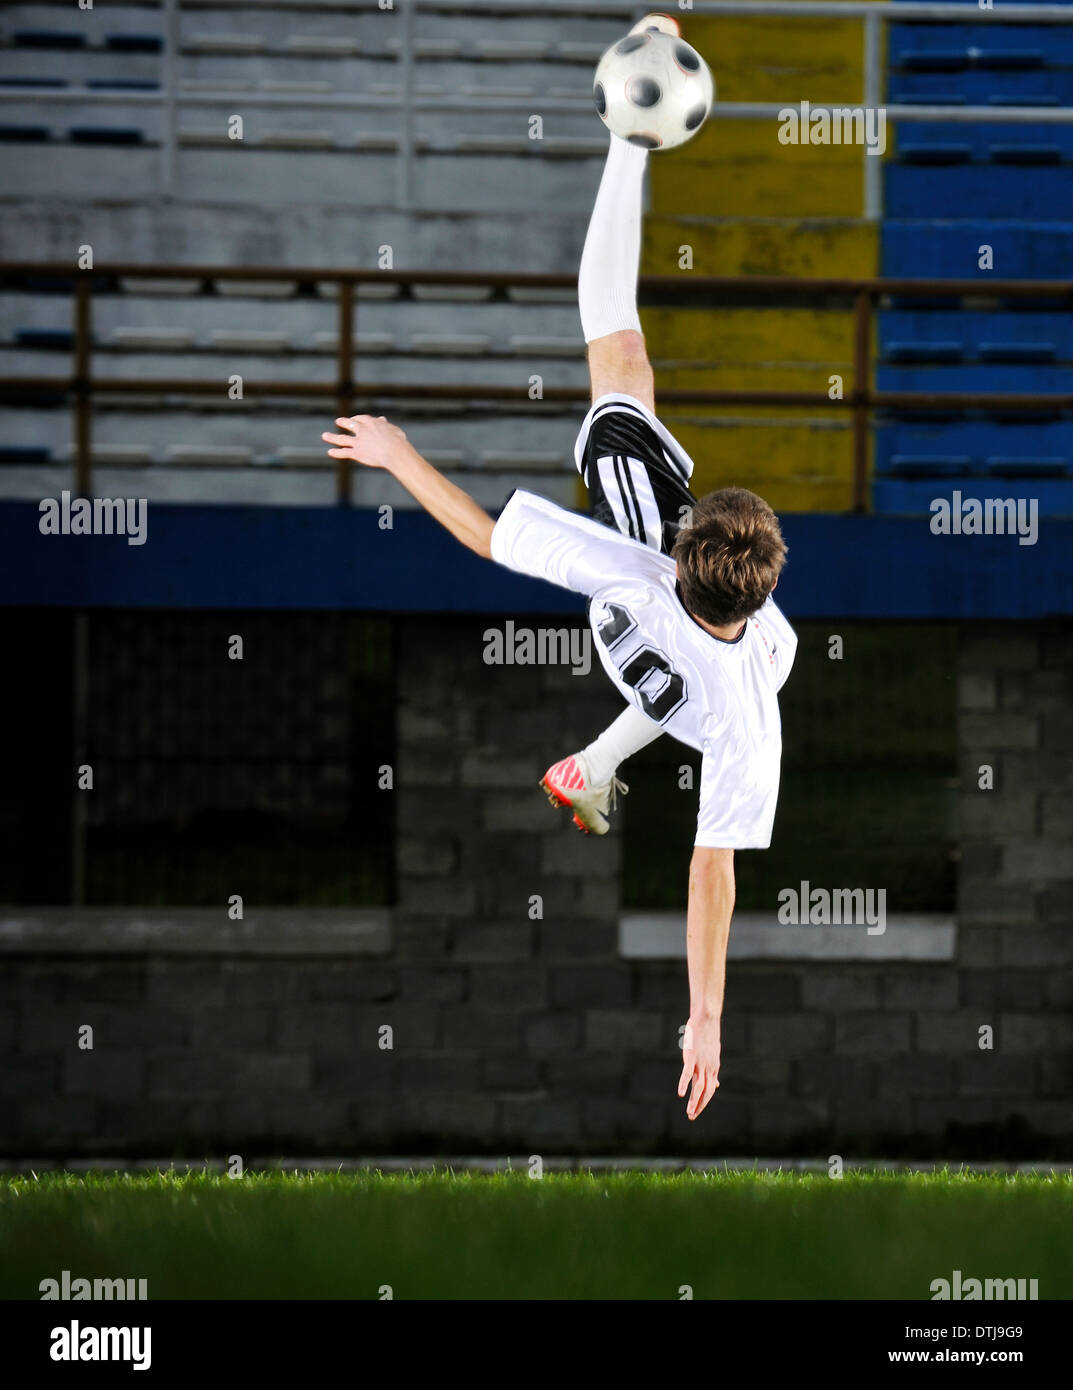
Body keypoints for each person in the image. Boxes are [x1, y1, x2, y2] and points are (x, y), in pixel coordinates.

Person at [323, 14, 797, 1120]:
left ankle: (629, 135)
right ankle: (588, 764)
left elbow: (486, 537)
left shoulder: (638, 565)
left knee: (611, 335)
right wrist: (707, 1018)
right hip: (689, 685)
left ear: (690, 545)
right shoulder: (751, 709)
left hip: (626, 635)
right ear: (759, 578)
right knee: (726, 693)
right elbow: (709, 874)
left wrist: (398, 455)